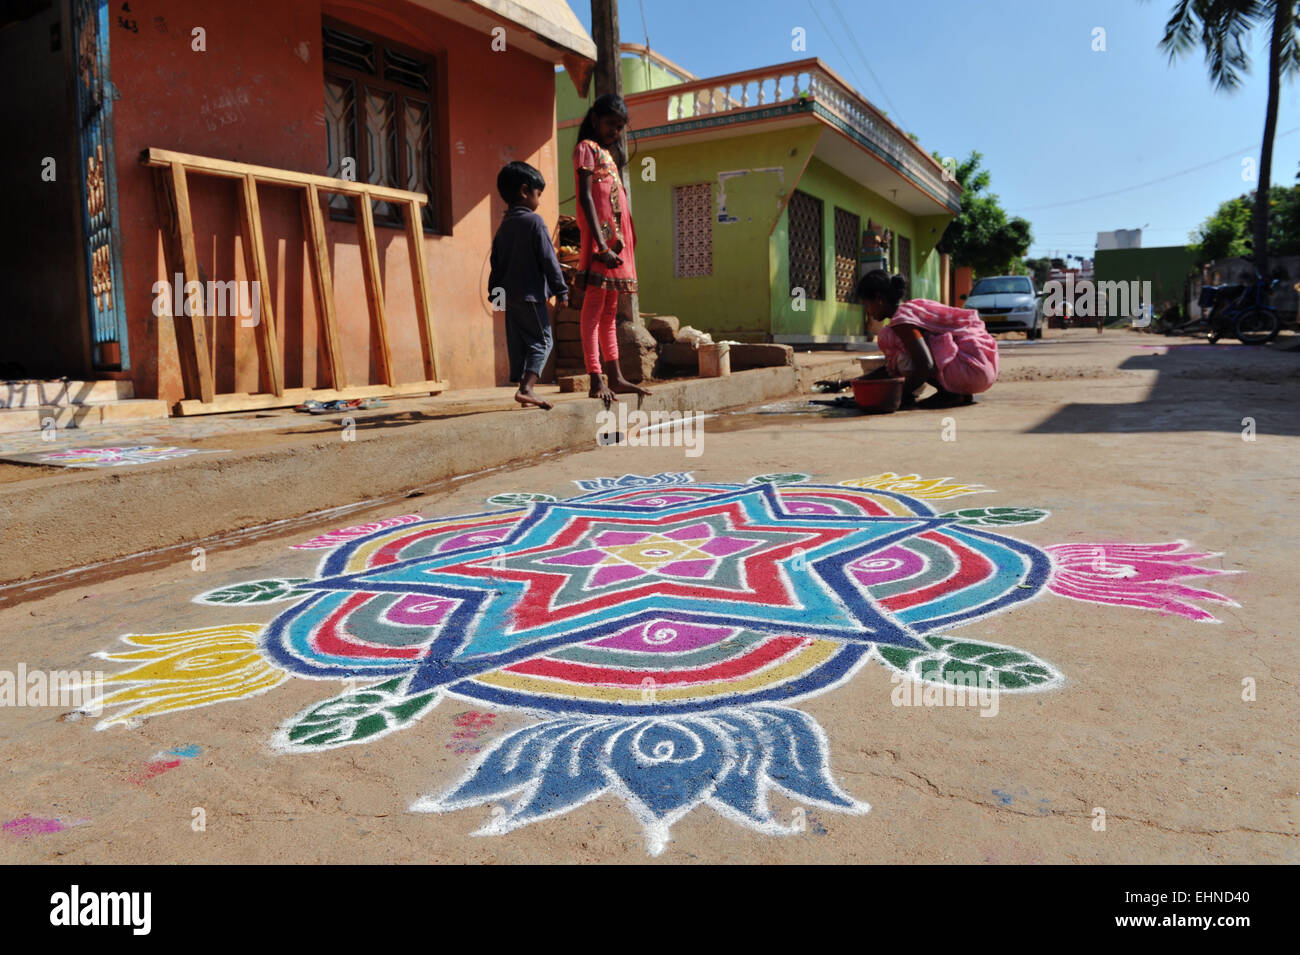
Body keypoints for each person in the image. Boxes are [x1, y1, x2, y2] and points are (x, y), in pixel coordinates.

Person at [573, 93, 651, 404]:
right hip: (602, 244)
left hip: (619, 246)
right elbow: (586, 199)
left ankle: (615, 376)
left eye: (620, 127)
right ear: (595, 120)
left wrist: (628, 240)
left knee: (609, 313)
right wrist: (600, 244)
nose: (615, 131)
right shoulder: (586, 149)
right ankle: (596, 377)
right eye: (610, 124)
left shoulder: (609, 154)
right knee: (593, 312)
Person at [487, 160, 567, 410]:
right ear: (524, 191)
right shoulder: (535, 222)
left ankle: (525, 390)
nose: (539, 200)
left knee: (521, 341)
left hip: (509, 297)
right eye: (538, 194)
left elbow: (496, 265)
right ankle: (527, 389)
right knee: (543, 342)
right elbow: (548, 258)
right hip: (530, 295)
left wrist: (496, 297)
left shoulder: (503, 228)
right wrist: (561, 289)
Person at [857, 271, 998, 409]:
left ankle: (949, 393)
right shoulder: (912, 308)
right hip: (982, 369)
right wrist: (850, 383)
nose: (867, 311)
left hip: (970, 370)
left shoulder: (901, 322)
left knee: (895, 346)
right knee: (912, 352)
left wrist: (897, 396)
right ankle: (958, 393)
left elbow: (925, 365)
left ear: (878, 299)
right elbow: (890, 369)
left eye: (866, 304)